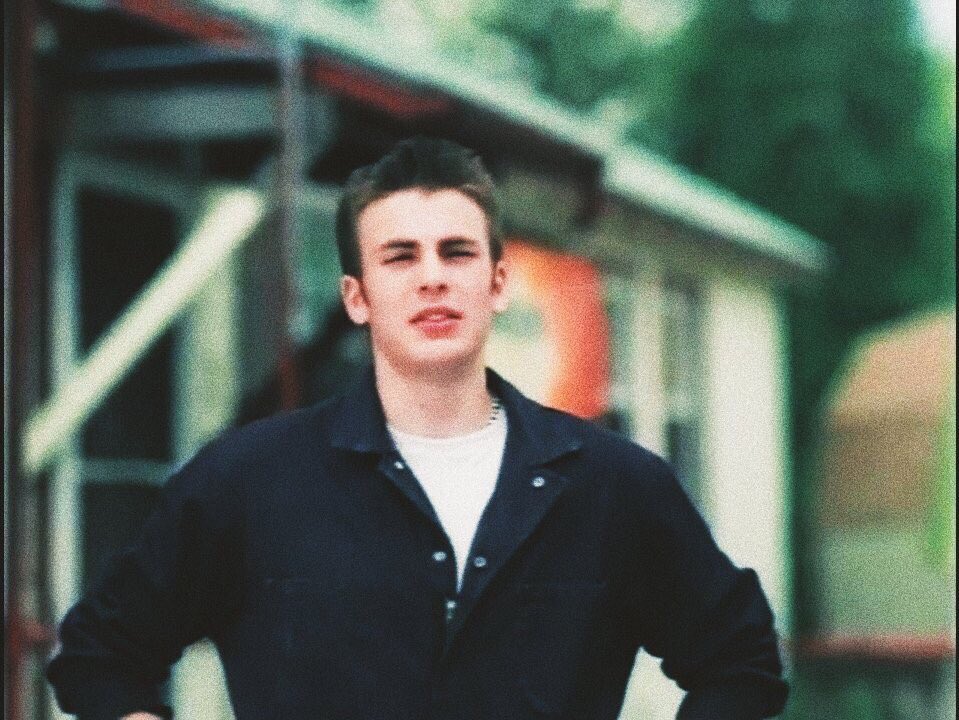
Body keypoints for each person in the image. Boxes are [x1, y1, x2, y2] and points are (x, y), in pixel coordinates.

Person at [47, 137, 788, 720]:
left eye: (456, 252)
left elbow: (740, 660)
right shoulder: (249, 481)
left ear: (497, 283)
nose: (432, 276)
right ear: (357, 297)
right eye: (400, 257)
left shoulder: (610, 484)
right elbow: (99, 656)